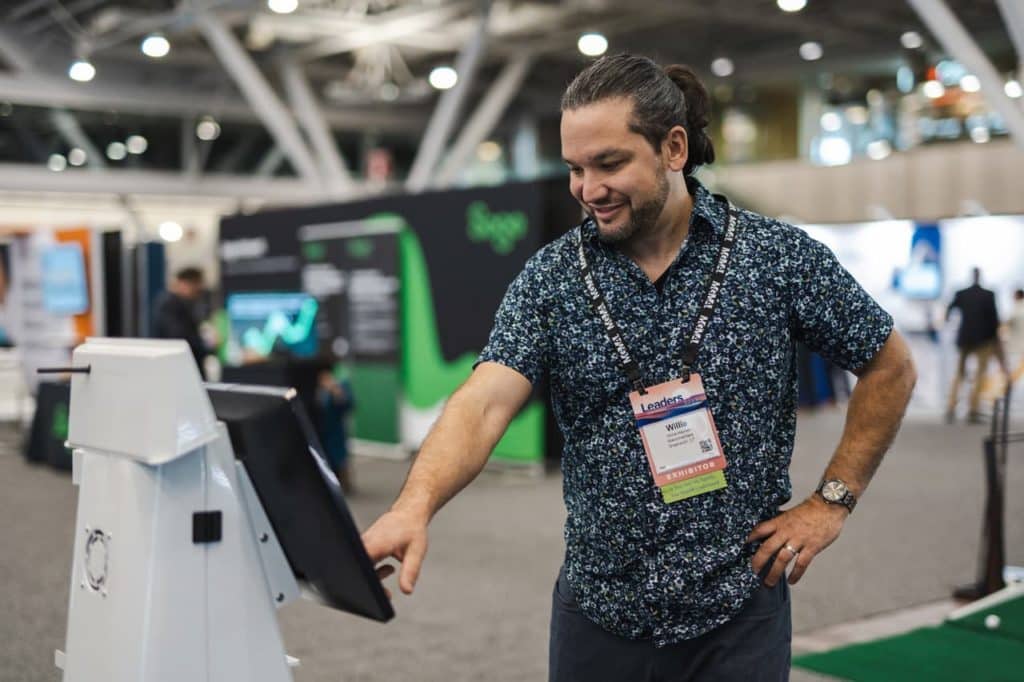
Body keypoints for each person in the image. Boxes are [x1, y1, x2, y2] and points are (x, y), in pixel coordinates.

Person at [361, 54, 916, 682]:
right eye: (574, 168)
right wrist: (414, 505)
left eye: (609, 163)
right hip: (598, 616)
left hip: (736, 617)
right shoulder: (553, 278)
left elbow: (889, 366)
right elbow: (484, 400)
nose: (587, 189)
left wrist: (832, 501)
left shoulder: (774, 258)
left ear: (673, 148)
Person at [945, 268, 1009, 423]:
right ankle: (973, 409)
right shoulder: (988, 295)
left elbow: (949, 308)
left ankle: (951, 406)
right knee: (980, 374)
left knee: (959, 374)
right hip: (983, 340)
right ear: (980, 276)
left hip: (965, 338)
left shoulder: (962, 294)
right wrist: (996, 341)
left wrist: (947, 320)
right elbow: (994, 319)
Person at [152, 267, 210, 378]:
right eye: (195, 286)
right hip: (179, 371)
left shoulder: (181, 304)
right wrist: (205, 346)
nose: (198, 291)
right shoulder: (170, 305)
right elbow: (179, 338)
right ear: (184, 283)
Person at [315, 359, 356, 494]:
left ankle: (344, 484)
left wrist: (335, 390)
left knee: (338, 458)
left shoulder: (340, 383)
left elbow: (349, 404)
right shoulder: (314, 385)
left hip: (335, 430)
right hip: (320, 430)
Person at [1004, 289, 1024, 385]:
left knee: (1012, 372)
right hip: (1020, 346)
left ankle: (1008, 386)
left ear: (1017, 296)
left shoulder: (1016, 309)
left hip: (1015, 347)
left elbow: (1006, 324)